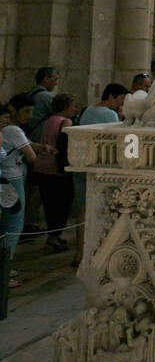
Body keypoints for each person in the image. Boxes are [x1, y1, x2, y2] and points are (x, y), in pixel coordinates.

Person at [74, 83, 128, 265]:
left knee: (82, 210)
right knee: (101, 210)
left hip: (82, 163)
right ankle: (97, 253)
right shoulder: (109, 114)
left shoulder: (88, 110)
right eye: (120, 100)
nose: (121, 105)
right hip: (101, 167)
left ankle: (79, 253)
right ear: (111, 97)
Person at [1, 93, 39, 279]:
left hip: (5, 177)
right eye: (27, 111)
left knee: (6, 226)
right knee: (15, 225)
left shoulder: (6, 130)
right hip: (13, 178)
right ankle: (5, 270)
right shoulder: (13, 130)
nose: (30, 115)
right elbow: (31, 156)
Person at [36, 93, 77, 253]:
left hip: (42, 166)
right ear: (65, 108)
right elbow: (67, 145)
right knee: (61, 205)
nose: (74, 109)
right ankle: (52, 241)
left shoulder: (48, 121)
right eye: (72, 106)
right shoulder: (65, 122)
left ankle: (53, 237)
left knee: (49, 205)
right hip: (56, 168)